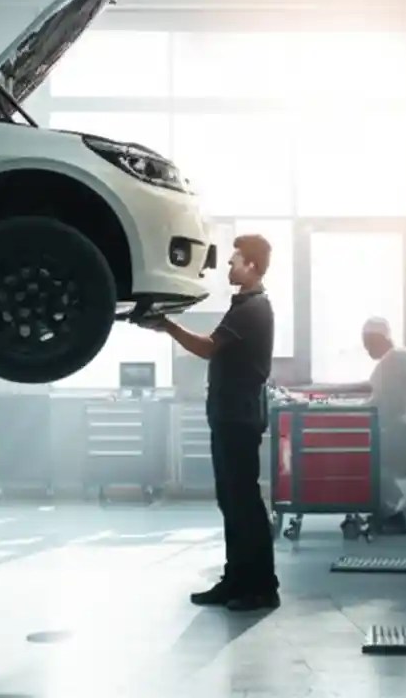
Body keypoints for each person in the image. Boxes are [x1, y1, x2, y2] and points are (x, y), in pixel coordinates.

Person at [140, 235, 279, 611]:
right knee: (231, 500)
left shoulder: (253, 308)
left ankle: (262, 587)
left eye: (234, 261)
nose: (229, 267)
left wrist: (167, 326)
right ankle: (236, 580)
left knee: (244, 502)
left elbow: (207, 347)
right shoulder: (245, 306)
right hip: (229, 414)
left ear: (251, 265)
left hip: (238, 417)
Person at [307, 316, 406, 535]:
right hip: (398, 431)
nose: (366, 349)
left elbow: (382, 404)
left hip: (390, 433)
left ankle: (387, 511)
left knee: (351, 458)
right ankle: (386, 511)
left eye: (368, 343)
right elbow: (381, 396)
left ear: (378, 338)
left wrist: (342, 408)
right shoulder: (398, 358)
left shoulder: (393, 361)